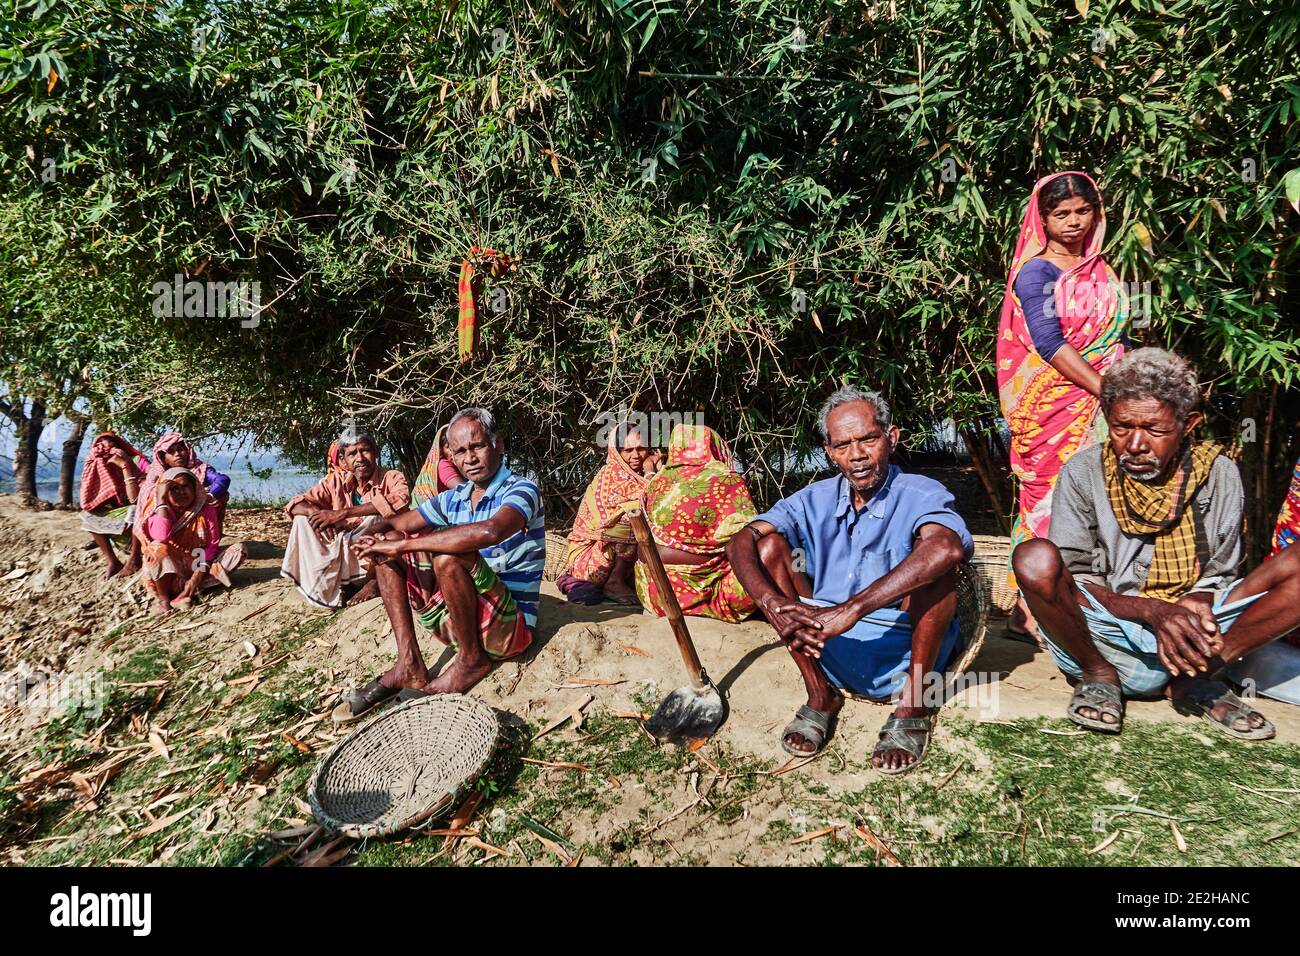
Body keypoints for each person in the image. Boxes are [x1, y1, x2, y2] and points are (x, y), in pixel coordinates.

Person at [1012, 348, 1300, 739]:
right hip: (1106, 631)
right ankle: (1099, 677)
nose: (1135, 444)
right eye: (1121, 427)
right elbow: (1078, 579)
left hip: (1201, 634)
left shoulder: (1219, 474)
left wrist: (1197, 599)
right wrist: (1152, 610)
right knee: (1033, 558)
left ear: (1188, 424)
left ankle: (1195, 677)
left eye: (1155, 430)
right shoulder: (1083, 472)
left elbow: (1222, 570)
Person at [728, 387, 972, 773]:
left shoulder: (920, 492)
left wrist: (852, 609)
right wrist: (771, 605)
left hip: (904, 649)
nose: (857, 454)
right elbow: (741, 540)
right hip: (824, 642)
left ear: (891, 439)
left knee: (935, 567)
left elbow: (946, 550)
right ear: (829, 451)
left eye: (868, 439)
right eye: (843, 445)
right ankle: (819, 693)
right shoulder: (814, 498)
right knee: (769, 547)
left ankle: (913, 706)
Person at [334, 408, 544, 720]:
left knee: (448, 556)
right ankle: (409, 663)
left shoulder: (521, 489)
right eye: (460, 451)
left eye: (478, 446)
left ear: (498, 444)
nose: (469, 458)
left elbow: (490, 532)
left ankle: (471, 660)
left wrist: (402, 543)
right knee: (386, 549)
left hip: (509, 629)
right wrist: (375, 538)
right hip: (465, 618)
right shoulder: (455, 496)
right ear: (450, 456)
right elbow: (404, 521)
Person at [996, 172, 1128, 643]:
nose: (1073, 222)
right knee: (1047, 504)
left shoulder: (1100, 270)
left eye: (1082, 211)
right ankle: (1029, 610)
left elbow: (1116, 338)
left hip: (1100, 403)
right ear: (1043, 219)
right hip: (1052, 406)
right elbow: (1049, 343)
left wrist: (1129, 386)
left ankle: (1071, 601)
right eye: (1061, 214)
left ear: (1097, 212)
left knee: (1089, 502)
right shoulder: (1037, 272)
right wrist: (1107, 391)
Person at [636, 423, 757, 623]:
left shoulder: (655, 483)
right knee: (765, 550)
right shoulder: (724, 480)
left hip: (656, 595)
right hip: (705, 594)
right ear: (713, 447)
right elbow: (748, 533)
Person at [280, 430, 410, 609]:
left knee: (378, 517)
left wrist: (344, 513)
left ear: (376, 452)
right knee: (302, 520)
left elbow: (400, 499)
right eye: (352, 454)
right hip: (345, 545)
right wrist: (316, 515)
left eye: (365, 451)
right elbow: (295, 504)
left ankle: (375, 581)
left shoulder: (392, 476)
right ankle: (336, 586)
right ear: (343, 460)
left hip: (375, 547)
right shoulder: (336, 481)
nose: (360, 458)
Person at [556, 424, 650, 605]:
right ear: (616, 452)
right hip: (590, 564)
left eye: (641, 449)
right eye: (628, 450)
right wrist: (651, 472)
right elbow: (649, 500)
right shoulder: (612, 474)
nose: (636, 456)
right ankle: (614, 582)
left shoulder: (637, 475)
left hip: (616, 558)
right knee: (630, 521)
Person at [138, 467, 246, 616]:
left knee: (238, 550)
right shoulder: (159, 512)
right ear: (165, 493)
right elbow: (161, 537)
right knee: (158, 547)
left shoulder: (206, 509)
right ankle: (164, 600)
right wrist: (161, 501)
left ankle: (191, 589)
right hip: (170, 572)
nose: (181, 492)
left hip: (197, 564)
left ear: (195, 487)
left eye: (185, 486)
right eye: (174, 489)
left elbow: (212, 545)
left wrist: (196, 576)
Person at [135, 433, 232, 546]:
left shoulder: (199, 469)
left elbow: (222, 480)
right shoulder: (155, 475)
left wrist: (208, 495)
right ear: (163, 458)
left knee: (222, 494)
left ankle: (212, 538)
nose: (178, 455)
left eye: (181, 449)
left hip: (195, 512)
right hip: (166, 517)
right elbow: (143, 503)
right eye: (171, 452)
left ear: (188, 451)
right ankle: (138, 550)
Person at [80, 432, 148, 580]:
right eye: (103, 447)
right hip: (122, 532)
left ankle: (135, 560)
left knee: (136, 510)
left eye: (112, 446)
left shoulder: (136, 461)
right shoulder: (101, 466)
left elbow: (137, 498)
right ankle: (113, 561)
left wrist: (125, 466)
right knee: (89, 516)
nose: (108, 451)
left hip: (142, 530)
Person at [410, 424, 465, 506]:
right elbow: (464, 490)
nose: (454, 451)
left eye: (458, 446)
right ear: (441, 449)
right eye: (449, 447)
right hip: (427, 516)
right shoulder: (443, 465)